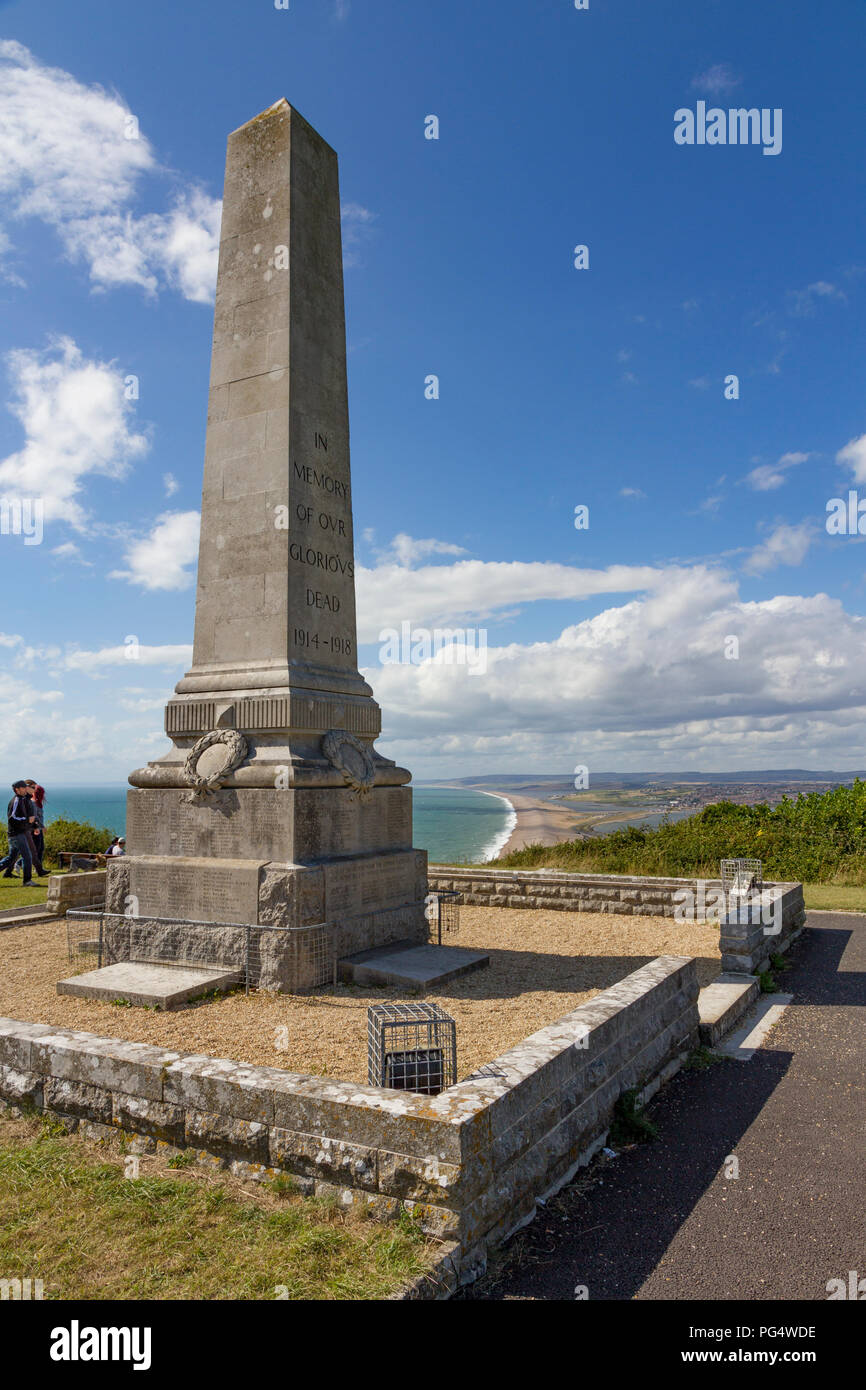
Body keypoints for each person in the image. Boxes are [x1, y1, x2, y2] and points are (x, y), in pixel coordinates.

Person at [0, 781, 36, 886]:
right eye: (24, 788)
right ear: (17, 789)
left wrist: (34, 825)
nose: (26, 789)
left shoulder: (22, 799)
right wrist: (27, 820)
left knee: (11, 858)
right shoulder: (16, 800)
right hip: (16, 834)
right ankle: (27, 881)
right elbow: (12, 818)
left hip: (17, 833)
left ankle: (27, 880)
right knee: (27, 856)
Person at [24, 780, 48, 877]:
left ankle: (39, 868)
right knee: (36, 849)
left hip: (38, 828)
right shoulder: (33, 803)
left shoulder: (37, 803)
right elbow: (35, 817)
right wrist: (39, 827)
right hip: (35, 829)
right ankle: (36, 868)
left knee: (40, 848)